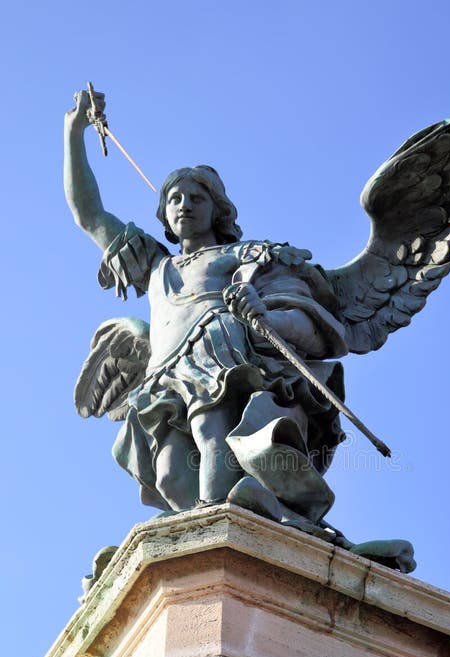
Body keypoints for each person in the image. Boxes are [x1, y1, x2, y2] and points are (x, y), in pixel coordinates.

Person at [65, 89, 348, 532]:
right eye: (175, 199)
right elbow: (89, 214)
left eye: (196, 198)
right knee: (170, 474)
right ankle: (230, 517)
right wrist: (74, 132)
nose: (184, 205)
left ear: (218, 208)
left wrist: (262, 311)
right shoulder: (155, 264)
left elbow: (311, 322)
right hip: (163, 372)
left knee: (212, 437)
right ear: (164, 213)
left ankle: (224, 522)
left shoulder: (242, 255)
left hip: (216, 354)